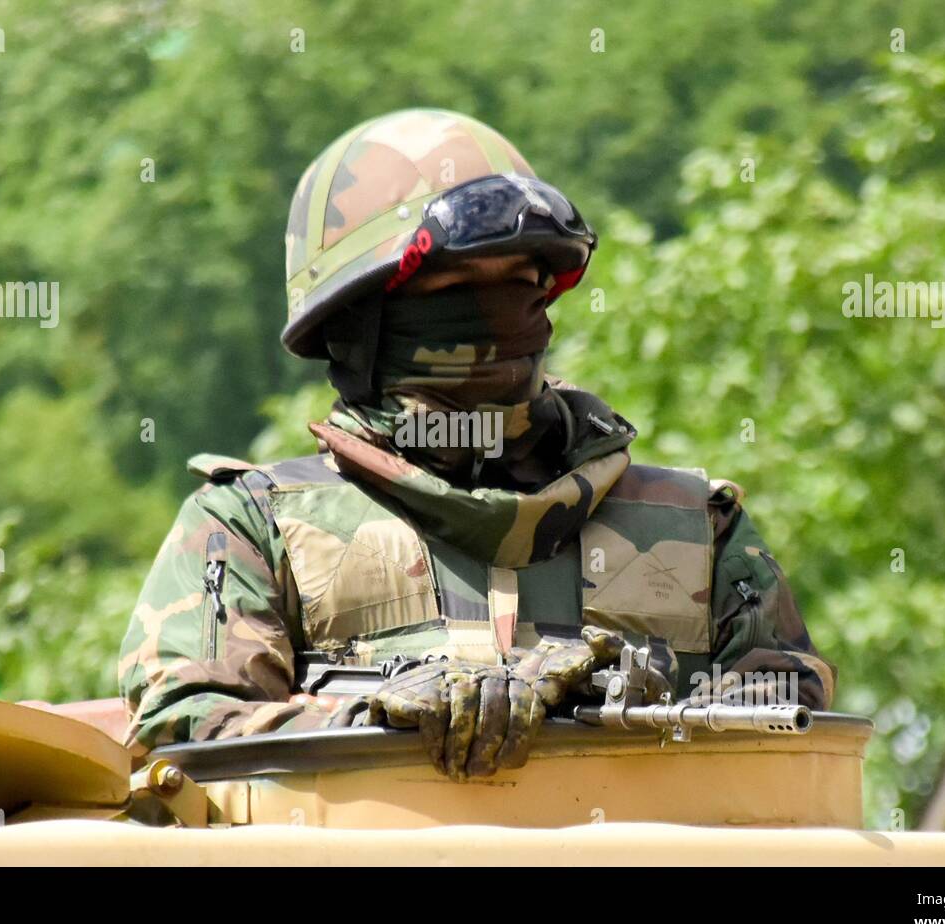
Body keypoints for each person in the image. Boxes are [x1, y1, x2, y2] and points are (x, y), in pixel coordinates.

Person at [118, 108, 835, 780]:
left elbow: (799, 752)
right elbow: (184, 732)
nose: (496, 322)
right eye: (455, 286)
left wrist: (627, 707)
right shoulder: (251, 529)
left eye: (521, 283)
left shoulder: (697, 529)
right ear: (357, 324)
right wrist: (376, 718)